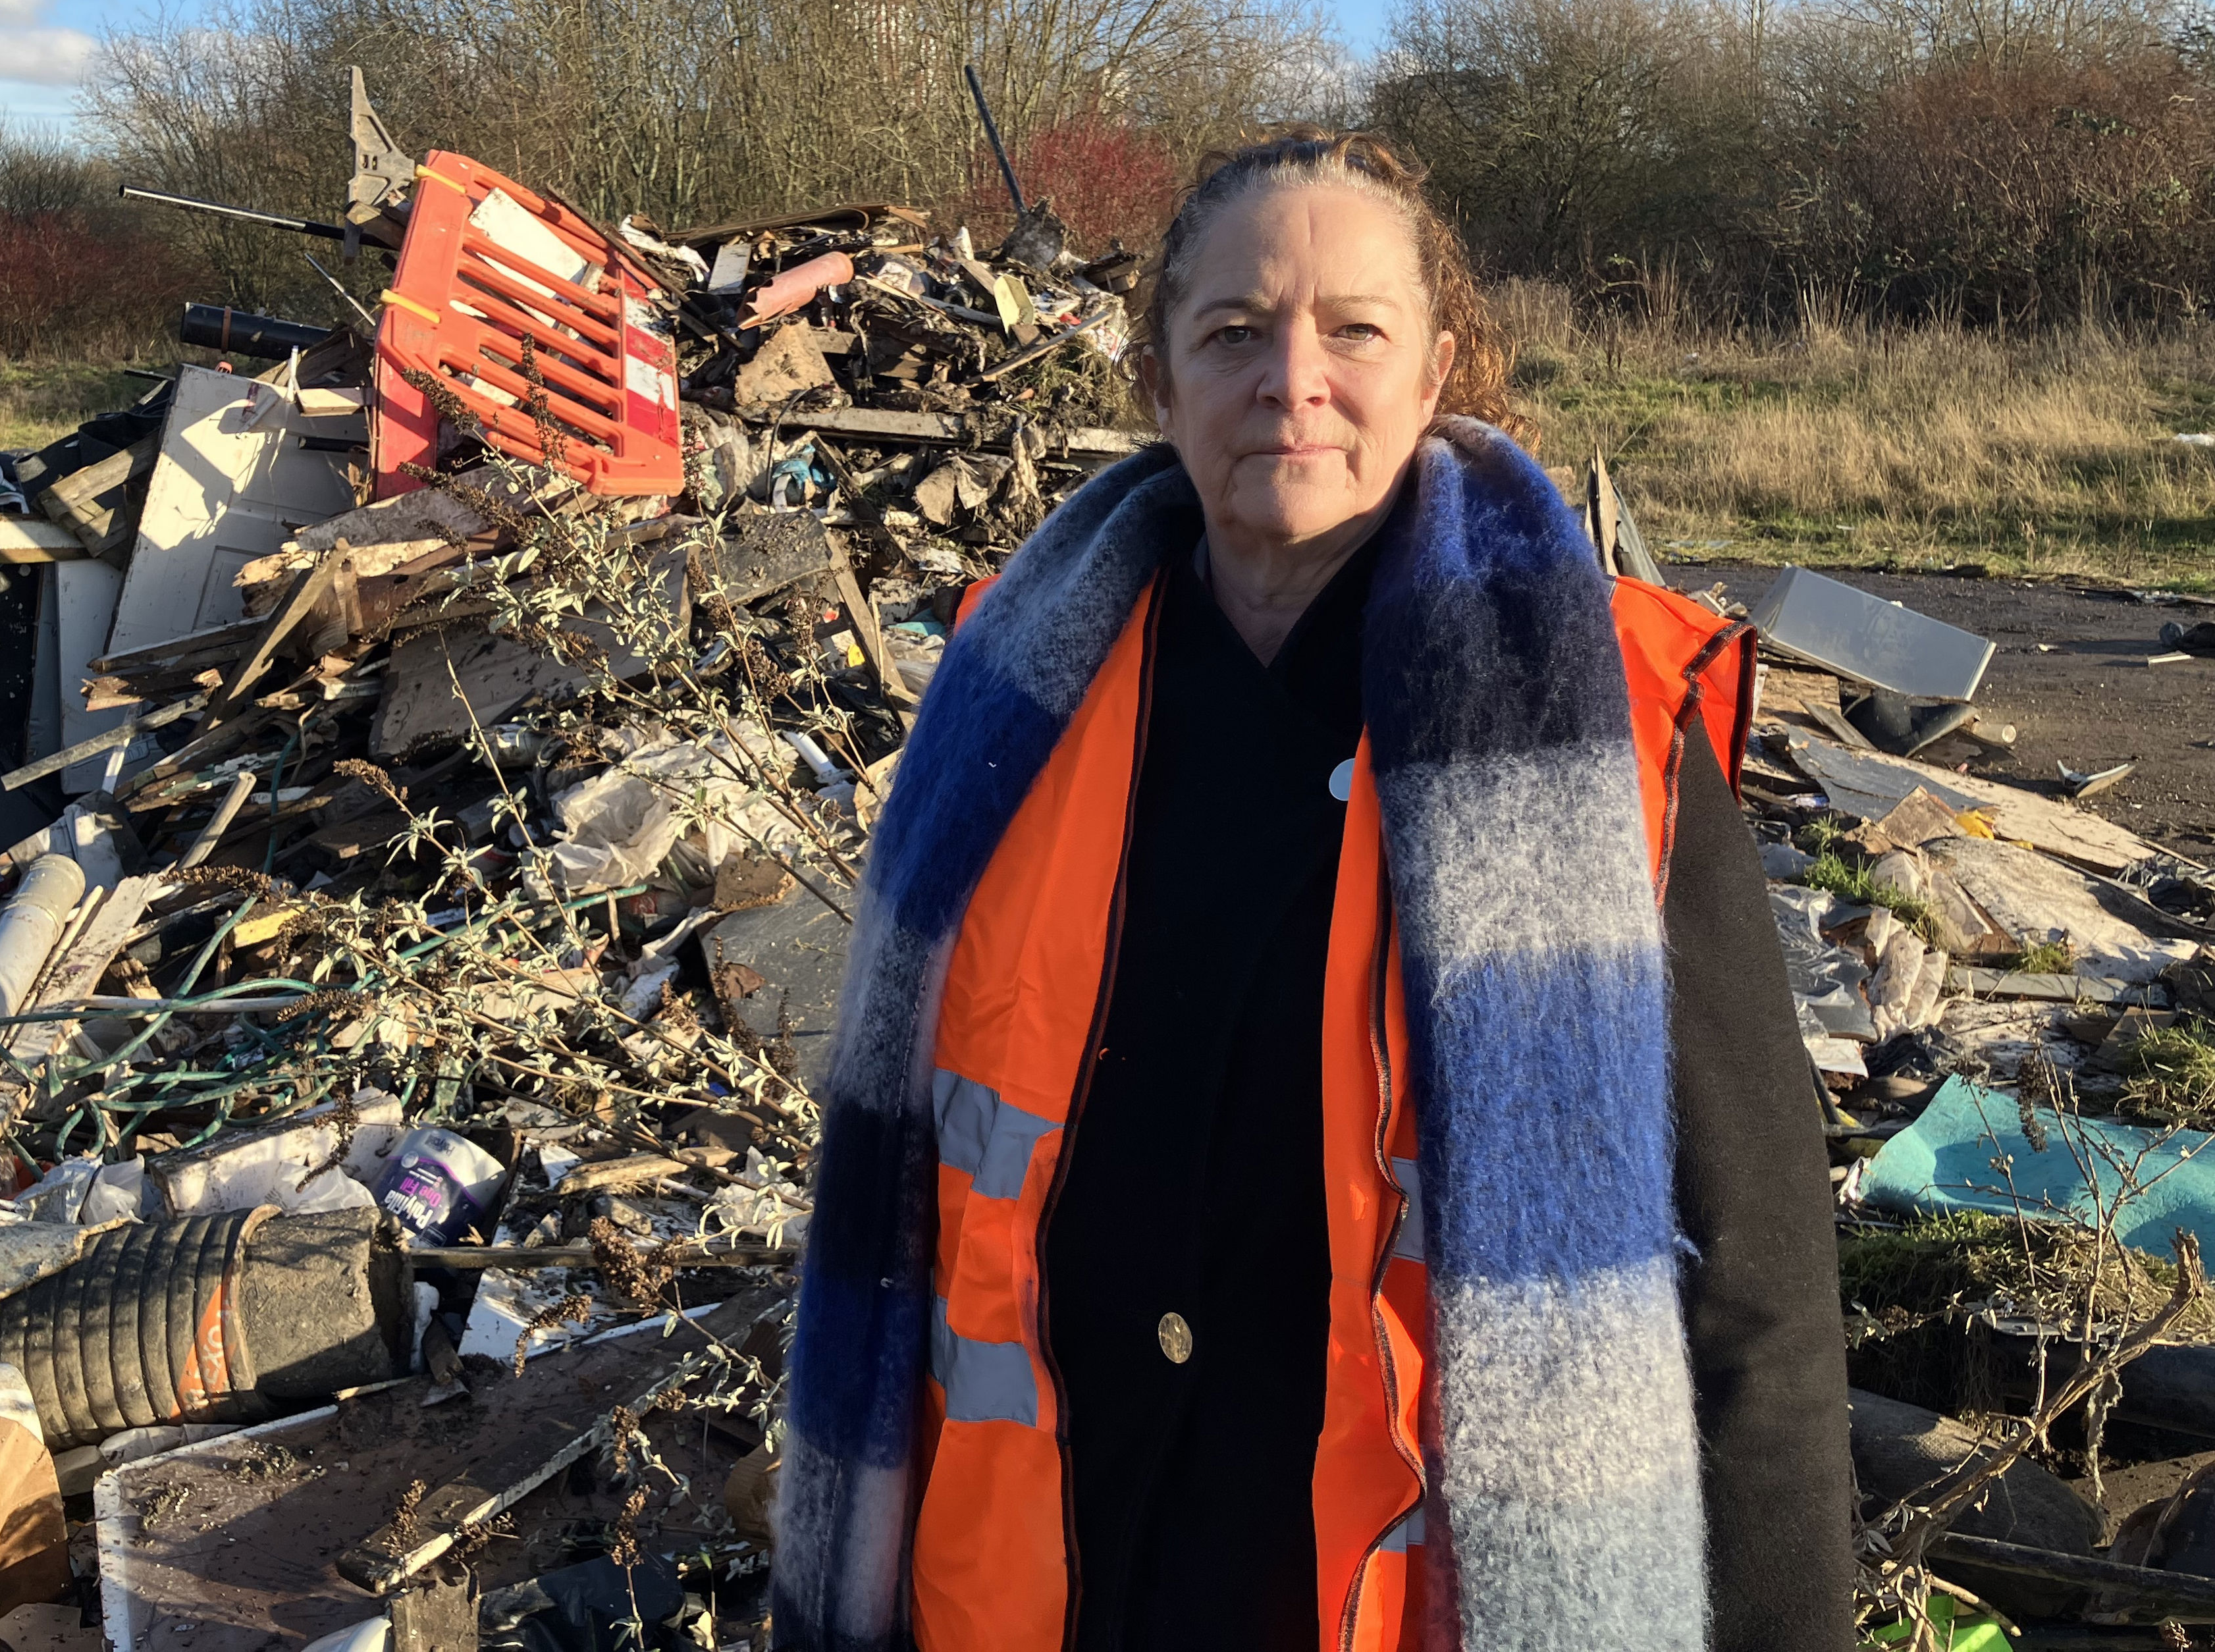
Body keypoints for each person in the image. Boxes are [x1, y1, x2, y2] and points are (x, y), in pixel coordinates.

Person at [771, 134, 1854, 1652]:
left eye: (1355, 327)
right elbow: (899, 1215)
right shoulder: (1007, 707)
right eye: (1232, 333)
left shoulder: (1599, 735)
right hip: (1032, 1596)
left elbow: (1752, 1303)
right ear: (1156, 378)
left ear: (1438, 369)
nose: (1293, 378)